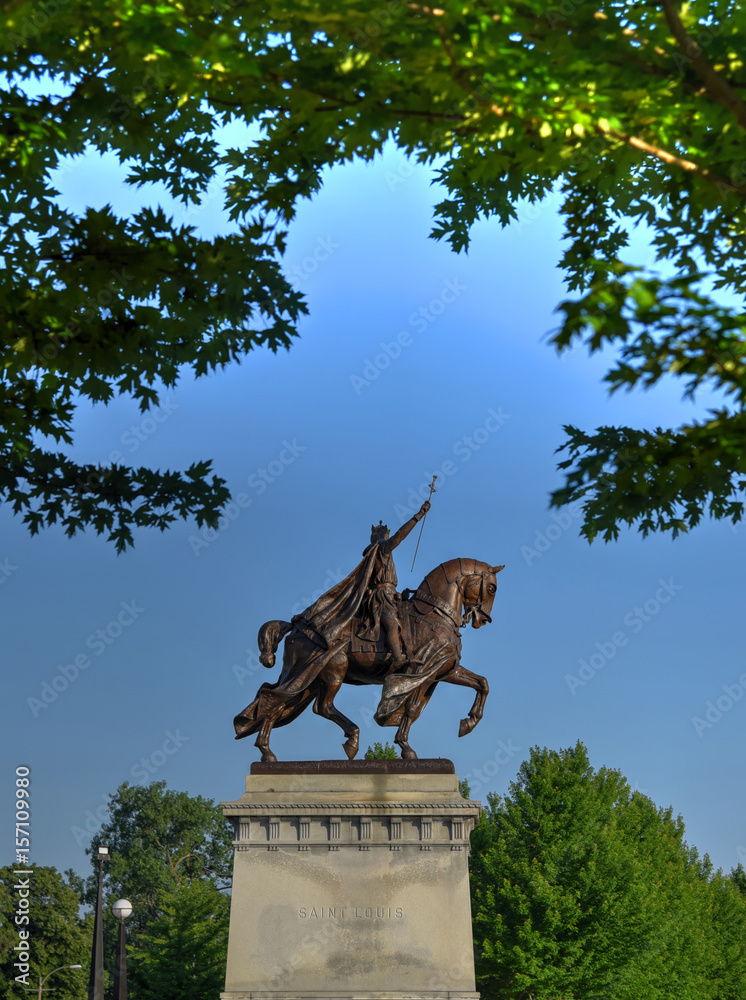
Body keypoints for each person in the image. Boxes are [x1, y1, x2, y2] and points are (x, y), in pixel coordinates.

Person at [360, 502, 430, 667]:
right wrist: (418, 516)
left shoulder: (377, 551)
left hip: (390, 594)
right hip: (381, 597)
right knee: (392, 624)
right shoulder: (380, 549)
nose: (388, 536)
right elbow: (400, 536)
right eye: (386, 534)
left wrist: (398, 594)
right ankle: (398, 659)